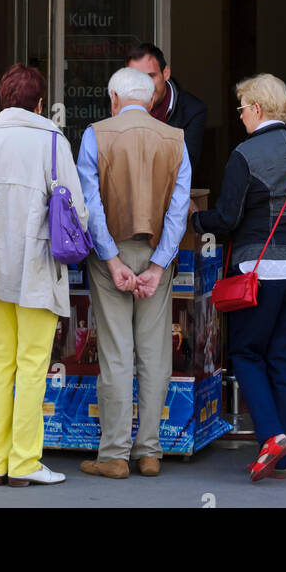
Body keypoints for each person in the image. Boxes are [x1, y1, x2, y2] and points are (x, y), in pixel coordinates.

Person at [0, 64, 88, 487]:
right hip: (35, 267)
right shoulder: (52, 141)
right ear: (40, 103)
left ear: (3, 100)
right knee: (31, 365)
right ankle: (25, 463)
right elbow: (77, 211)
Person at [192, 73, 286, 482]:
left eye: (242, 108)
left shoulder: (245, 154)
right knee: (284, 359)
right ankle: (278, 458)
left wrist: (196, 220)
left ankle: (272, 437)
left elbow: (228, 218)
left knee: (247, 353)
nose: (240, 116)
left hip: (262, 269)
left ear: (257, 108)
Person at [76, 67, 191, 478]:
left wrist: (111, 259)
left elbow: (89, 205)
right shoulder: (175, 139)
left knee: (116, 352)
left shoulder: (95, 135)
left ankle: (114, 455)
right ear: (152, 99)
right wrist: (158, 264)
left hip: (111, 254)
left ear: (114, 98)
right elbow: (178, 210)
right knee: (155, 353)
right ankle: (149, 452)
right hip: (156, 251)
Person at [127, 42, 207, 171]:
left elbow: (184, 168)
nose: (144, 85)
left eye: (150, 76)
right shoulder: (120, 104)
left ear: (166, 73)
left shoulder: (192, 111)